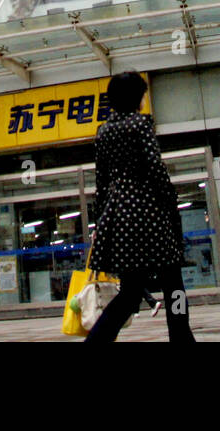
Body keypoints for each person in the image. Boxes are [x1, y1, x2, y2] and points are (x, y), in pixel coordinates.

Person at [84, 71, 194, 342]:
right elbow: (155, 167)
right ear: (136, 97)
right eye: (143, 92)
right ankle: (181, 338)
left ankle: (96, 340)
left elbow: (101, 182)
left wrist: (101, 221)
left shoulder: (104, 131)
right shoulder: (140, 125)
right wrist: (170, 201)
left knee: (131, 291)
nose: (145, 97)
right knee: (173, 283)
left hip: (119, 215)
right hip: (148, 212)